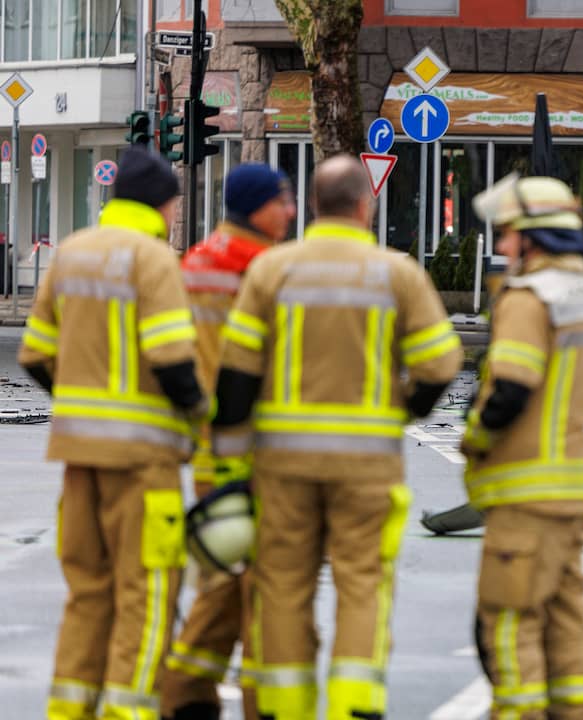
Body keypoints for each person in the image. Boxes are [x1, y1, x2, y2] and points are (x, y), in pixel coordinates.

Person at [208, 154, 462, 720]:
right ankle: (355, 705)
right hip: (366, 468)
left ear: (314, 206)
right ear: (365, 205)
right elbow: (440, 365)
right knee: (362, 584)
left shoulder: (272, 272)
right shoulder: (395, 272)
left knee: (281, 586)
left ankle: (282, 707)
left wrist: (229, 468)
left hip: (282, 467)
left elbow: (237, 378)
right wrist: (402, 413)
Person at [19, 146, 206, 720]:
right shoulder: (153, 260)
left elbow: (35, 356)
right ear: (164, 204)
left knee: (87, 593)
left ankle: (69, 711)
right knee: (146, 595)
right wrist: (202, 420)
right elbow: (174, 362)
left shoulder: (71, 254)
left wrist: (78, 406)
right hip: (143, 461)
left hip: (80, 457)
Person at [463, 173, 583, 719]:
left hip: (524, 493)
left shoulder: (529, 298)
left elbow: (510, 388)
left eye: (509, 234)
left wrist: (473, 439)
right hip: (569, 493)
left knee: (510, 623)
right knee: (566, 622)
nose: (502, 246)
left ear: (535, 237)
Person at [159, 164, 296, 720]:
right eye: (282, 201)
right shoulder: (266, 269)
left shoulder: (193, 261)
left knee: (223, 575)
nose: (289, 211)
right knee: (268, 583)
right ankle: (263, 703)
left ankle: (187, 690)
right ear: (257, 207)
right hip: (258, 448)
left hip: (209, 449)